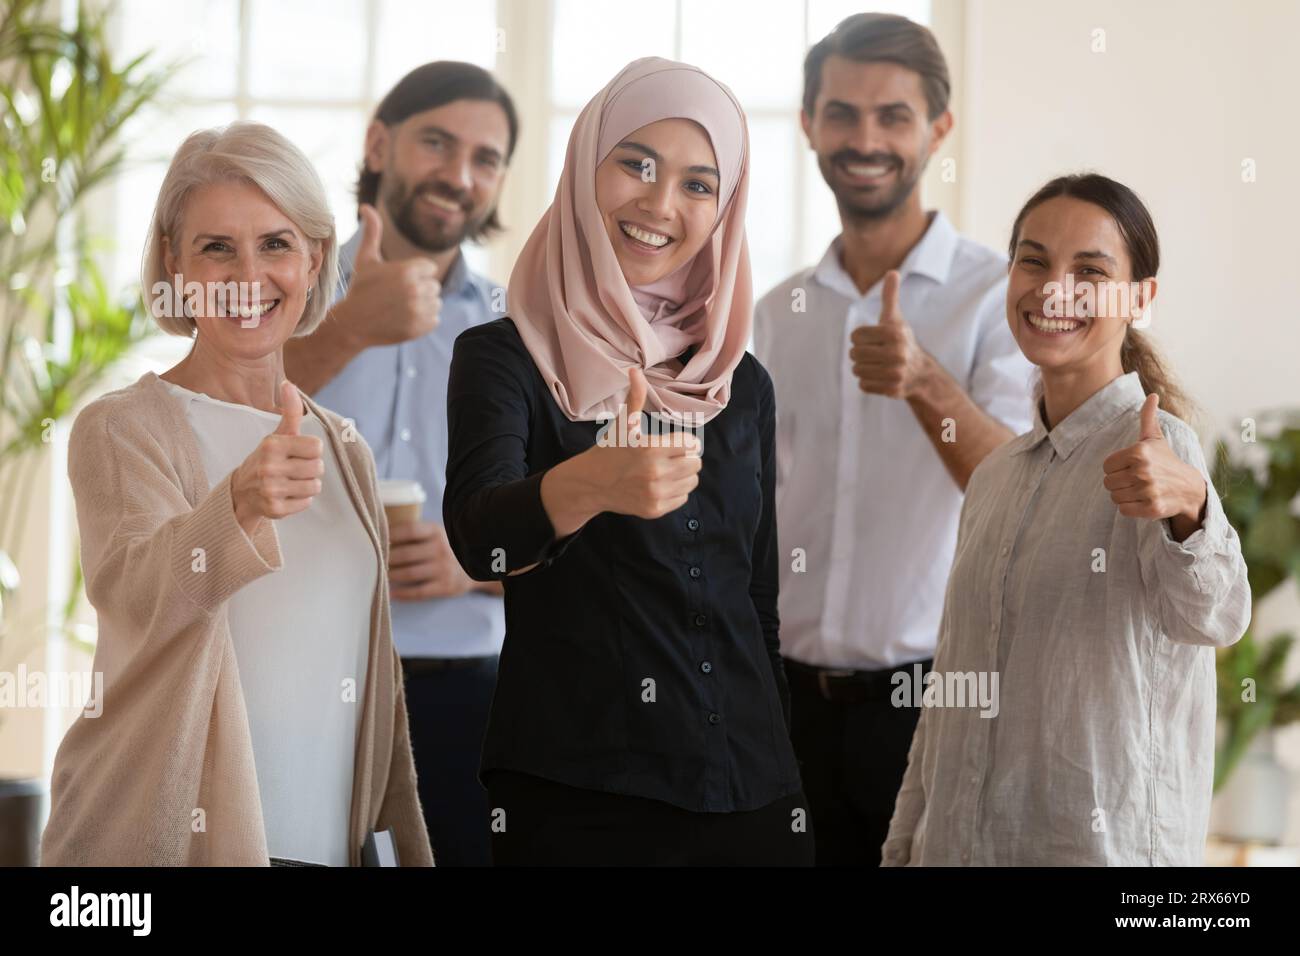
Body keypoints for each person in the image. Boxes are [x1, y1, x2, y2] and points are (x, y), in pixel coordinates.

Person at [442, 57, 812, 866]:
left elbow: (756, 597)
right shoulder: (504, 356)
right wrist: (591, 483)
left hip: (753, 796)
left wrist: (782, 769)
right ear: (586, 166)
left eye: (699, 184)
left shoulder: (740, 381)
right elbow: (481, 541)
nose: (660, 203)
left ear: (726, 208)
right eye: (636, 165)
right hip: (580, 799)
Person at [41, 122, 432, 867]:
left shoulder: (343, 446)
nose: (248, 275)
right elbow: (138, 594)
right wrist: (238, 505)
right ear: (176, 268)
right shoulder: (121, 428)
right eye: (216, 248)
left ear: (315, 259)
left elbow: (376, 692)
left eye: (276, 244)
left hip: (329, 850)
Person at [882, 173, 1251, 866]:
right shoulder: (995, 475)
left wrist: (1192, 510)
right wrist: (903, 847)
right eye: (1033, 260)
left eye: (1090, 270)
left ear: (1140, 299)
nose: (1054, 289)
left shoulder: (1160, 452)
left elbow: (1215, 617)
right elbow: (945, 703)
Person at [752, 12, 1034, 865]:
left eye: (892, 116)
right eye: (841, 113)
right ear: (808, 123)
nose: (863, 138)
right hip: (781, 704)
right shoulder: (777, 312)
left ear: (938, 130)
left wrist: (922, 381)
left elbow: (1017, 490)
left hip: (930, 703)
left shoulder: (998, 297)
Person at [283, 62, 517, 867]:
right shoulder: (290, 288)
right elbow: (211, 432)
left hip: (468, 688)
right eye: (437, 143)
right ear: (379, 143)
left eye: (485, 158)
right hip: (302, 672)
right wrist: (346, 327)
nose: (459, 175)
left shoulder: (520, 328)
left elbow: (583, 523)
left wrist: (478, 565)